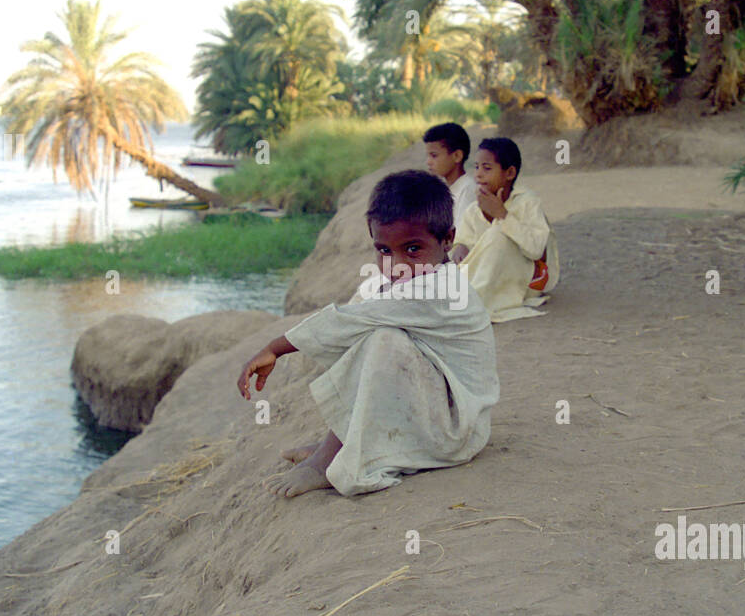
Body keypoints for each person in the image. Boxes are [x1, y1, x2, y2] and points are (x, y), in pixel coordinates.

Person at [237, 170, 499, 498]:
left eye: (412, 249)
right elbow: (360, 311)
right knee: (373, 332)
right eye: (384, 251)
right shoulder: (424, 277)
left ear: (448, 239)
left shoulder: (437, 289)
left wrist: (274, 348)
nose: (396, 264)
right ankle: (339, 443)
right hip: (443, 415)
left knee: (381, 339)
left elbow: (347, 321)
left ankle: (326, 462)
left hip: (457, 433)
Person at [449, 136, 560, 322]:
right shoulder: (474, 209)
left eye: (487, 168)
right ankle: (462, 298)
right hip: (488, 278)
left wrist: (502, 215)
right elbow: (465, 242)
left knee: (497, 234)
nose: (478, 174)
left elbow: (536, 250)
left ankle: (468, 305)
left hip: (528, 281)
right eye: (476, 167)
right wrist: (460, 246)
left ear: (509, 173)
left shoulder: (527, 202)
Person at [423, 122, 476, 227]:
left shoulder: (468, 190)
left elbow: (461, 236)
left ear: (457, 156)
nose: (428, 162)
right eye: (428, 156)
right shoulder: (443, 189)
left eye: (434, 156)